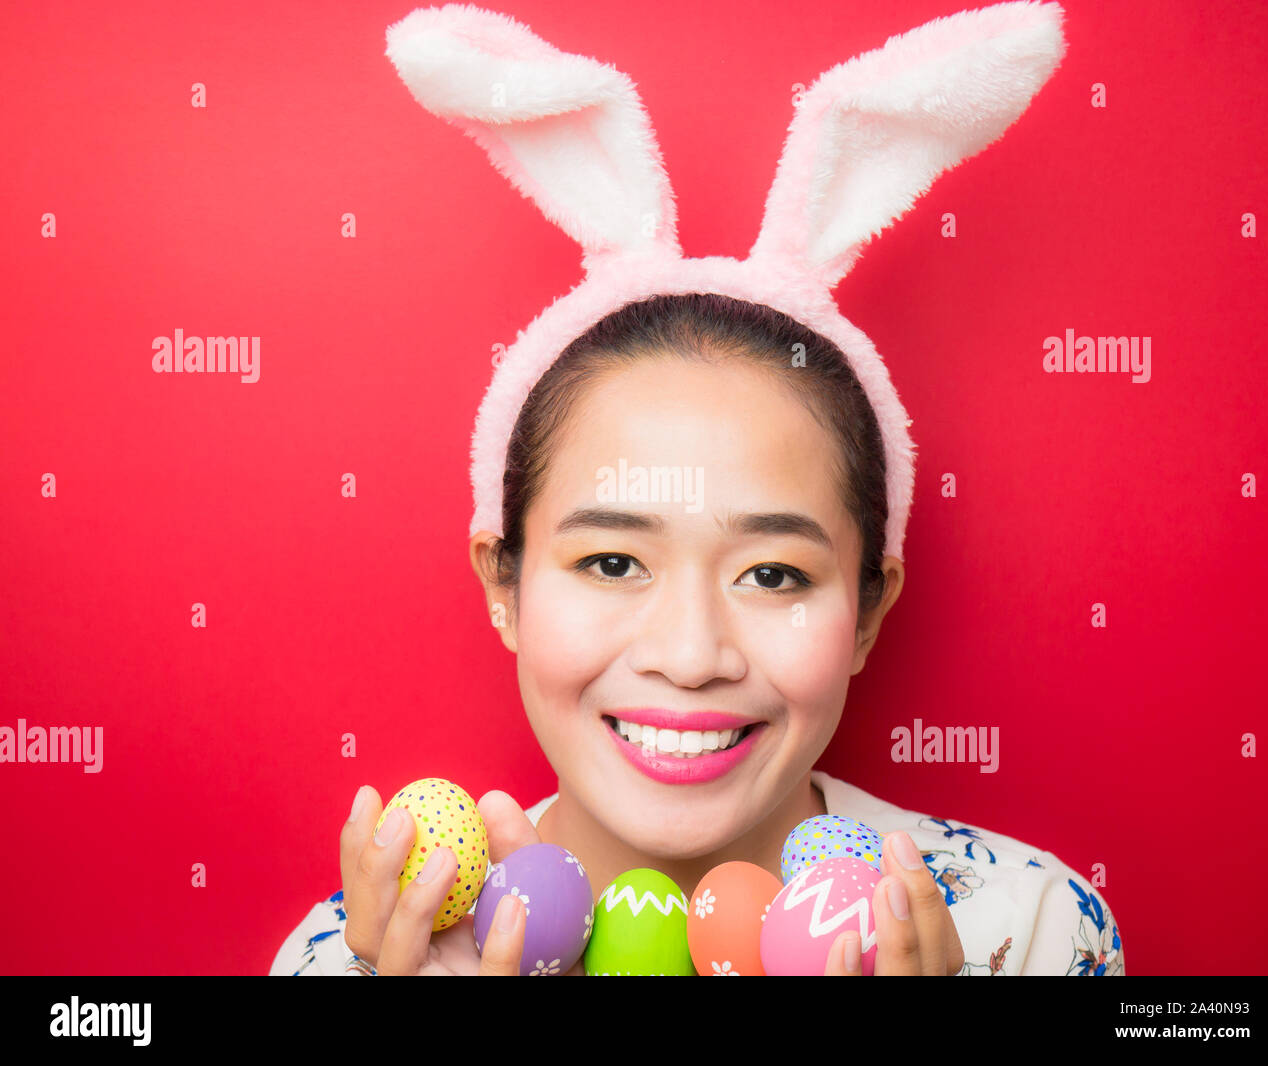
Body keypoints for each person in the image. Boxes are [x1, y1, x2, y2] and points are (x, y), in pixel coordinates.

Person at [268, 294, 1124, 977]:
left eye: (773, 574)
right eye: (611, 563)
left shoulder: (1031, 935)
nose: (688, 657)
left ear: (867, 613)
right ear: (505, 586)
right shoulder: (363, 961)